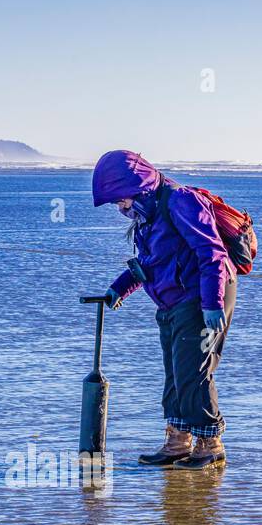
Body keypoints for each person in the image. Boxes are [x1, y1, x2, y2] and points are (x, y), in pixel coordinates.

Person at [92, 149, 237, 468]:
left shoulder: (181, 202)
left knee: (193, 373)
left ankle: (210, 444)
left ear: (137, 187)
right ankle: (178, 441)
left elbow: (210, 254)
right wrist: (118, 288)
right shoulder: (149, 215)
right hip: (172, 301)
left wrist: (212, 305)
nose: (121, 207)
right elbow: (149, 263)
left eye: (121, 200)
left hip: (202, 296)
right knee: (175, 375)